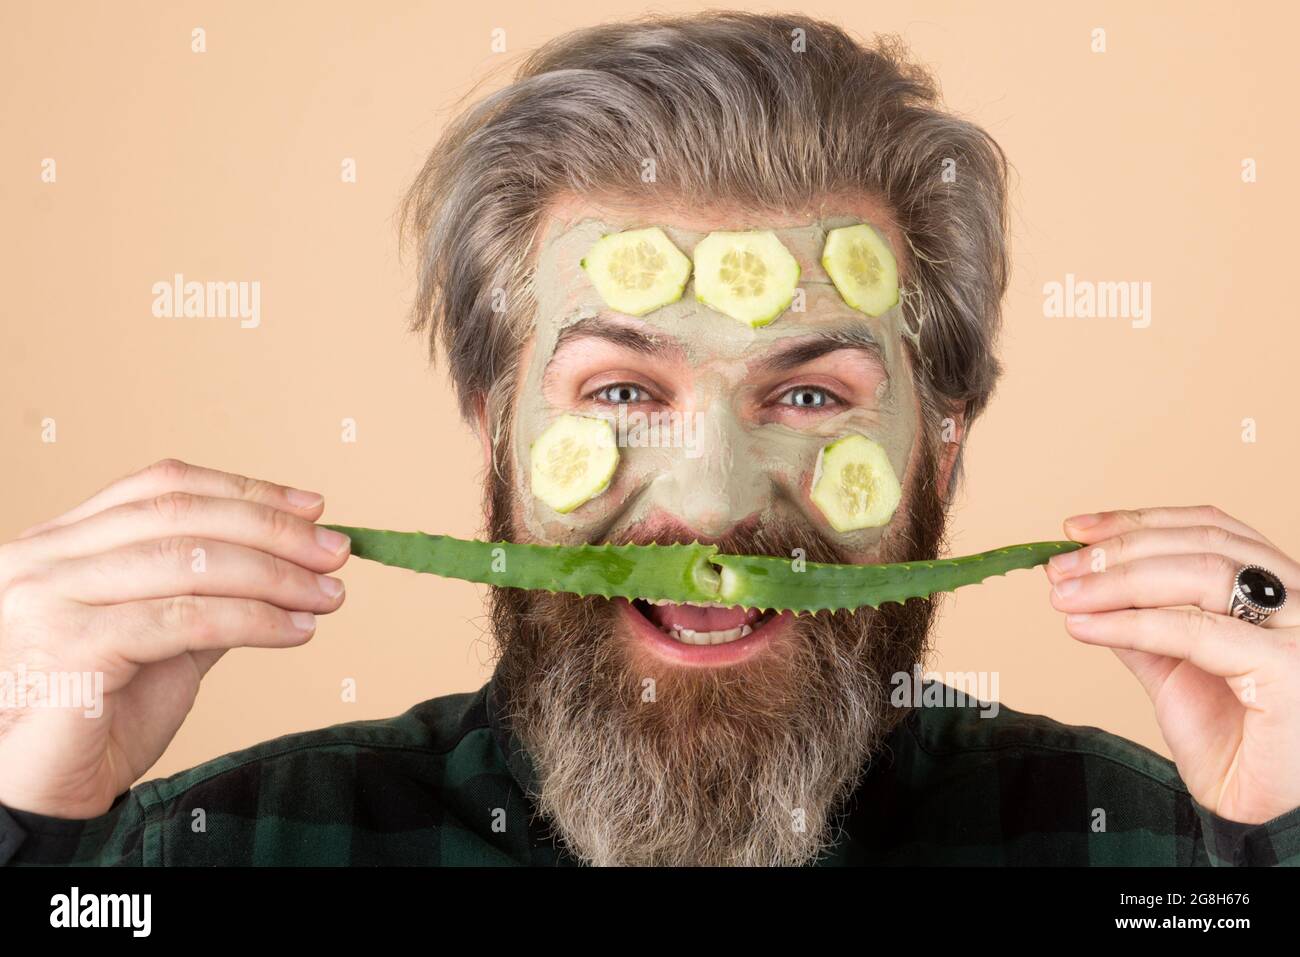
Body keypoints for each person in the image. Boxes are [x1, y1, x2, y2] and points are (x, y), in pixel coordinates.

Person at [2, 12, 1296, 867]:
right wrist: (28, 829)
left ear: (941, 448)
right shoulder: (229, 851)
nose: (716, 505)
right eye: (622, 391)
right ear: (496, 419)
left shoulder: (1150, 852)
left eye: (810, 396)